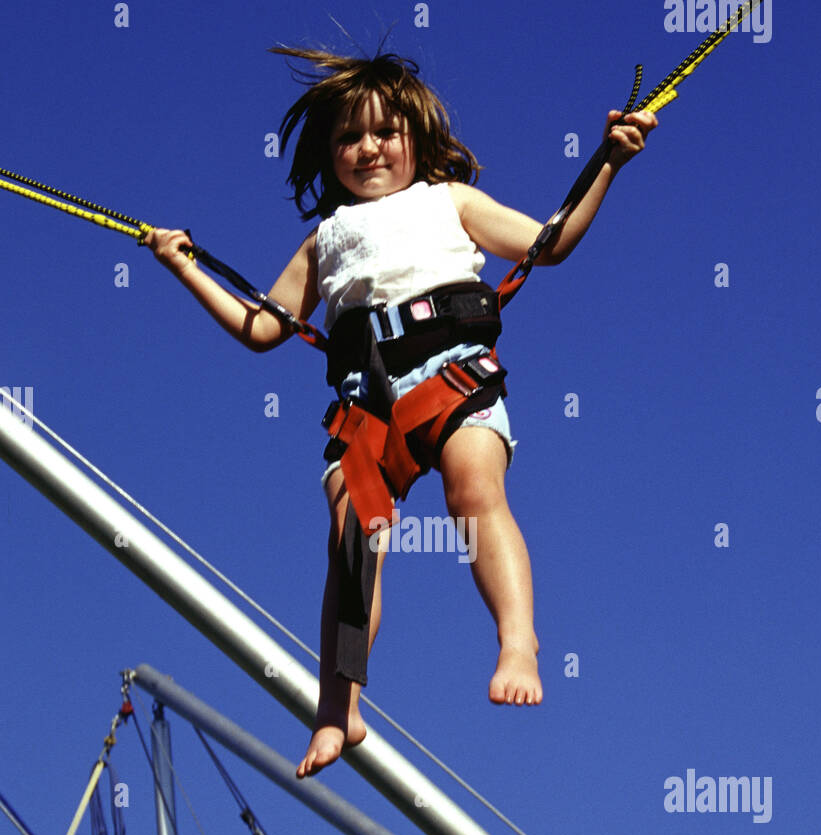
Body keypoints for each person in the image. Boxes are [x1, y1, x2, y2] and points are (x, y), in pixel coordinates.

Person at [145, 47, 656, 778]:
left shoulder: (450, 200)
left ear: (418, 137)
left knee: (474, 493)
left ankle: (517, 639)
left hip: (452, 376)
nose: (368, 148)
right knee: (352, 541)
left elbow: (549, 244)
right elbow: (264, 328)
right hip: (367, 401)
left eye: (386, 132)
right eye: (350, 137)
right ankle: (338, 707)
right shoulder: (325, 239)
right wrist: (183, 265)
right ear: (330, 154)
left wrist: (608, 160)